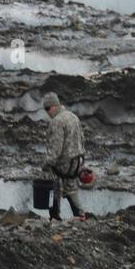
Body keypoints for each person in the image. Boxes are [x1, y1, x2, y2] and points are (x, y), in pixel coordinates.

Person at [41, 93, 87, 221]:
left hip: (64, 163)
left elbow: (56, 148)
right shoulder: (73, 117)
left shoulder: (57, 121)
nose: (47, 112)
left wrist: (46, 164)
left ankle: (54, 217)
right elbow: (82, 138)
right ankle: (80, 215)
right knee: (71, 187)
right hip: (77, 160)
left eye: (48, 108)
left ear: (55, 106)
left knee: (54, 186)